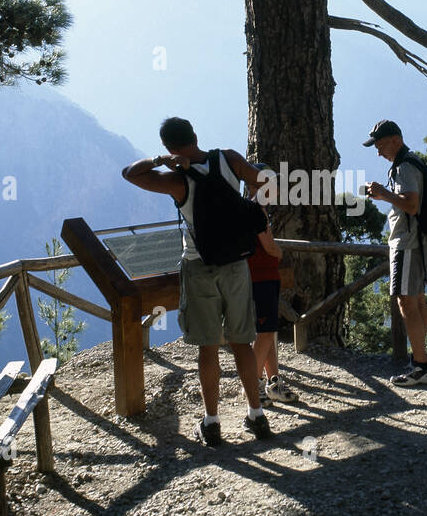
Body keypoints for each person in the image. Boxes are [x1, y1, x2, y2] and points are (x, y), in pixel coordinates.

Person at [122, 118, 275, 446]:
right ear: (195, 135)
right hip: (236, 264)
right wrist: (253, 204)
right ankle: (256, 415)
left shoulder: (177, 181)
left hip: (198, 264)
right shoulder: (230, 159)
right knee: (242, 344)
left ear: (169, 147)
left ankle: (212, 422)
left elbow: (130, 173)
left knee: (208, 346)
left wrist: (161, 161)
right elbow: (267, 182)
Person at [362, 120, 427, 386]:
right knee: (416, 298)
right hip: (418, 240)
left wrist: (383, 195)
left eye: (381, 145)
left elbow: (412, 205)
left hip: (408, 242)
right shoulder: (411, 162)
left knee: (406, 301)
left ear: (395, 140)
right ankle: (421, 358)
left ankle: (420, 366)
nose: (379, 152)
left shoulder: (404, 166)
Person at [244, 165, 298, 406]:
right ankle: (253, 387)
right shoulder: (257, 210)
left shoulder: (250, 207)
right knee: (265, 333)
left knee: (267, 331)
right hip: (262, 276)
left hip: (258, 276)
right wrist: (279, 252)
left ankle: (272, 382)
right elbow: (269, 246)